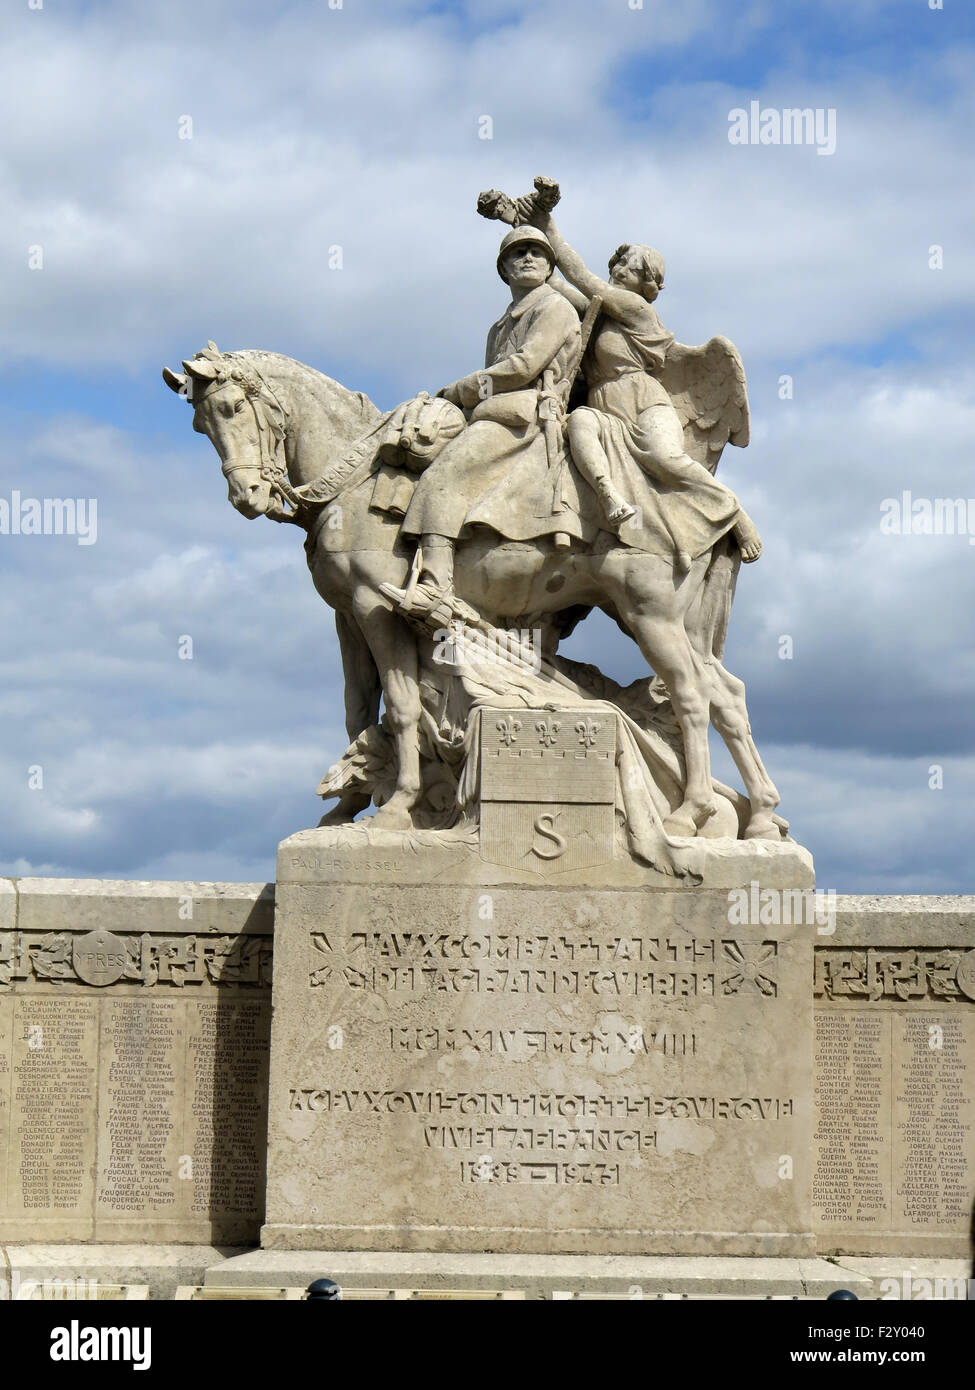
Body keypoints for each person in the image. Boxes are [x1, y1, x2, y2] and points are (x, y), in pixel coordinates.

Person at [518, 201, 762, 570]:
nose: (618, 268)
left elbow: (581, 276)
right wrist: (526, 235)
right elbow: (552, 281)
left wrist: (547, 225)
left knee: (666, 459)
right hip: (604, 407)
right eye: (617, 262)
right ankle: (610, 498)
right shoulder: (597, 311)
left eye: (628, 266)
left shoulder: (635, 309)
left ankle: (733, 513)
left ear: (646, 281)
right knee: (580, 423)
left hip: (645, 403)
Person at [398, 225, 581, 610]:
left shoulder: (555, 307)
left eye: (537, 252)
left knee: (443, 477)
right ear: (504, 269)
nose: (528, 258)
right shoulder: (499, 326)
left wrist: (461, 389)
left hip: (522, 417)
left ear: (550, 267)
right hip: (491, 413)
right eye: (518, 253)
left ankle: (436, 586)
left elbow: (523, 367)